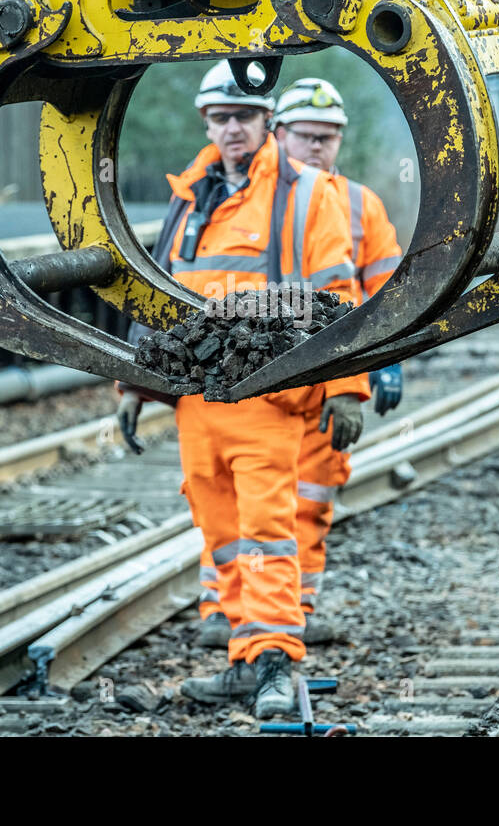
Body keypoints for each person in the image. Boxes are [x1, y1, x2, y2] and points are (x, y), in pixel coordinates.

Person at [115, 61, 369, 715]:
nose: (234, 129)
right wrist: (134, 386)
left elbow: (340, 298)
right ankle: (241, 654)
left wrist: (345, 386)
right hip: (199, 401)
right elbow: (159, 297)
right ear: (207, 123)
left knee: (265, 535)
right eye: (222, 118)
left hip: (269, 396)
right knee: (221, 534)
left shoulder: (310, 193)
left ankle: (276, 663)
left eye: (246, 117)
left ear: (267, 123)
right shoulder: (191, 195)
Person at [195, 77, 403, 649]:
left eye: (328, 138)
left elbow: (380, 293)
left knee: (308, 500)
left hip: (323, 377)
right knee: (233, 503)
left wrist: (380, 364)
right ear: (279, 132)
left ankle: (293, 611)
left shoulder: (360, 205)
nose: (317, 147)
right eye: (306, 136)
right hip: (262, 382)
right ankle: (226, 608)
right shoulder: (238, 196)